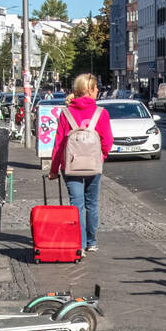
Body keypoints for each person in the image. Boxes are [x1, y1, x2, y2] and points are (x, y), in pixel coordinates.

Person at [49, 73, 113, 254]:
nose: (98, 90)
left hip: (70, 165)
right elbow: (108, 140)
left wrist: (54, 170)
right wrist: (101, 157)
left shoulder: (66, 113)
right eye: (96, 88)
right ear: (89, 90)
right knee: (92, 204)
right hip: (93, 165)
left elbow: (59, 143)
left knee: (76, 204)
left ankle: (79, 244)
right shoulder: (101, 113)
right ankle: (91, 242)